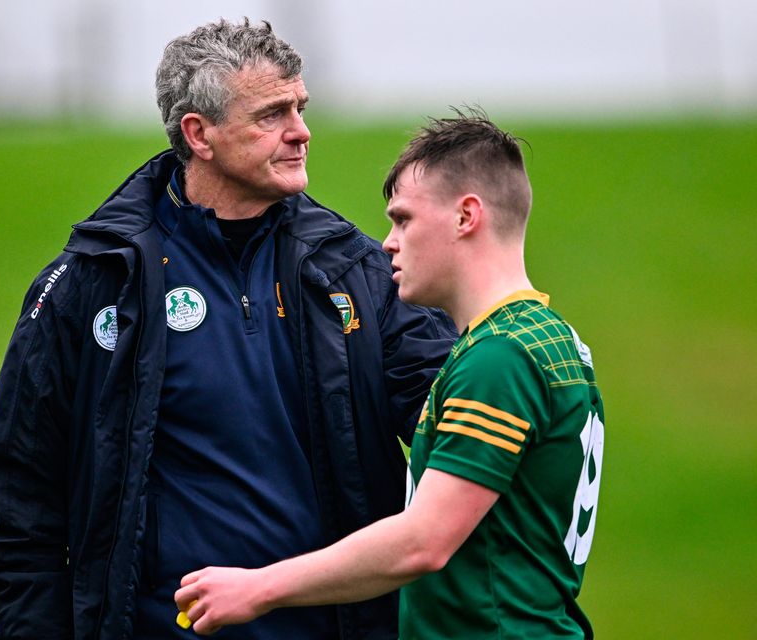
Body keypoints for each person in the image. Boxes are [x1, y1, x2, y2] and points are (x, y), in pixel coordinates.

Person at [0, 18, 456, 640]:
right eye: (272, 114)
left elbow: (458, 426)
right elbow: (13, 510)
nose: (301, 132)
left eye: (300, 107)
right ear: (199, 134)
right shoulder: (91, 283)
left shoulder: (355, 272)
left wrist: (523, 356)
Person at [174, 108, 606, 639]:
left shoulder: (499, 357)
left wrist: (259, 588)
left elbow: (423, 541)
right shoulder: (549, 338)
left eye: (404, 219)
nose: (388, 242)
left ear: (466, 217)